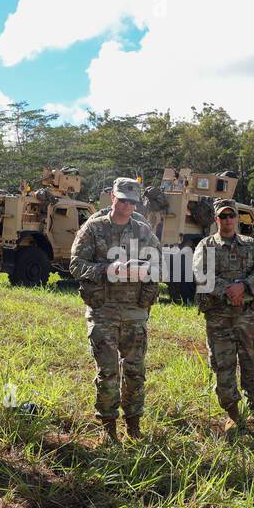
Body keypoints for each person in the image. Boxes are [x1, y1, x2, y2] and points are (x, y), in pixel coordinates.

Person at [69, 177, 162, 442]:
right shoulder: (93, 229)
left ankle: (134, 426)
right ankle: (108, 427)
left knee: (135, 372)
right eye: (122, 200)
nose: (127, 206)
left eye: (132, 202)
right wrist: (106, 270)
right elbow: (76, 264)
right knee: (107, 372)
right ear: (112, 197)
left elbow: (160, 267)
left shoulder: (143, 232)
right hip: (103, 311)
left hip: (134, 311)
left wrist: (144, 271)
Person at [193, 199, 254, 435]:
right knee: (223, 365)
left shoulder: (250, 244)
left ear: (237, 218)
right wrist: (228, 290)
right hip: (219, 318)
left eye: (231, 215)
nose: (227, 220)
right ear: (216, 219)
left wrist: (245, 287)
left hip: (247, 316)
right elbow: (200, 274)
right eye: (222, 216)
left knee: (251, 363)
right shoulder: (205, 246)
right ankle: (232, 413)